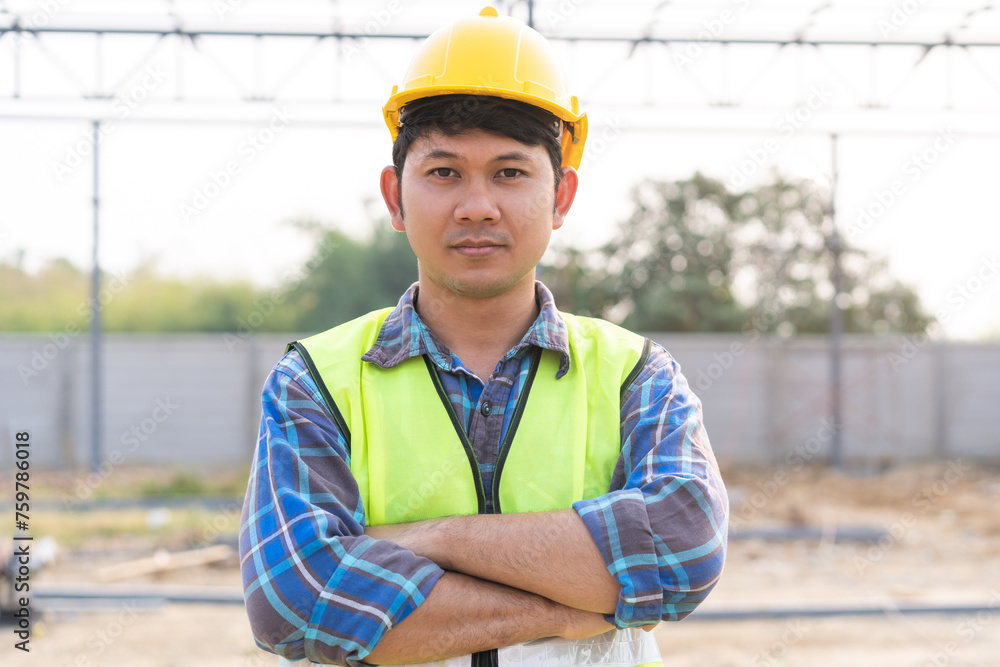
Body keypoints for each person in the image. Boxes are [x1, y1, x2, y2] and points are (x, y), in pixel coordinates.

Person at [239, 7, 728, 667]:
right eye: (444, 172)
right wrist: (569, 605)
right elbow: (296, 599)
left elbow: (684, 552)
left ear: (562, 197)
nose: (477, 205)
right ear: (395, 197)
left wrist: (428, 538)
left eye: (510, 172)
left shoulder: (635, 374)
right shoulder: (316, 381)